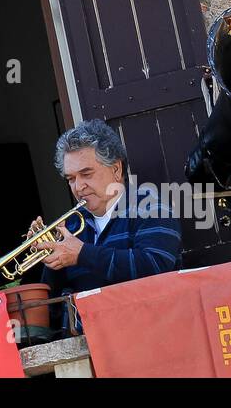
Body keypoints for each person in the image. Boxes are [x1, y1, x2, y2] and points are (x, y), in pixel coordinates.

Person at [32, 120, 181, 312]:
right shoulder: (72, 225)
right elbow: (51, 305)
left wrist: (83, 254)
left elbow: (155, 266)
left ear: (116, 169)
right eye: (71, 179)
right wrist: (47, 254)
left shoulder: (151, 207)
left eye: (86, 174)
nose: (78, 187)